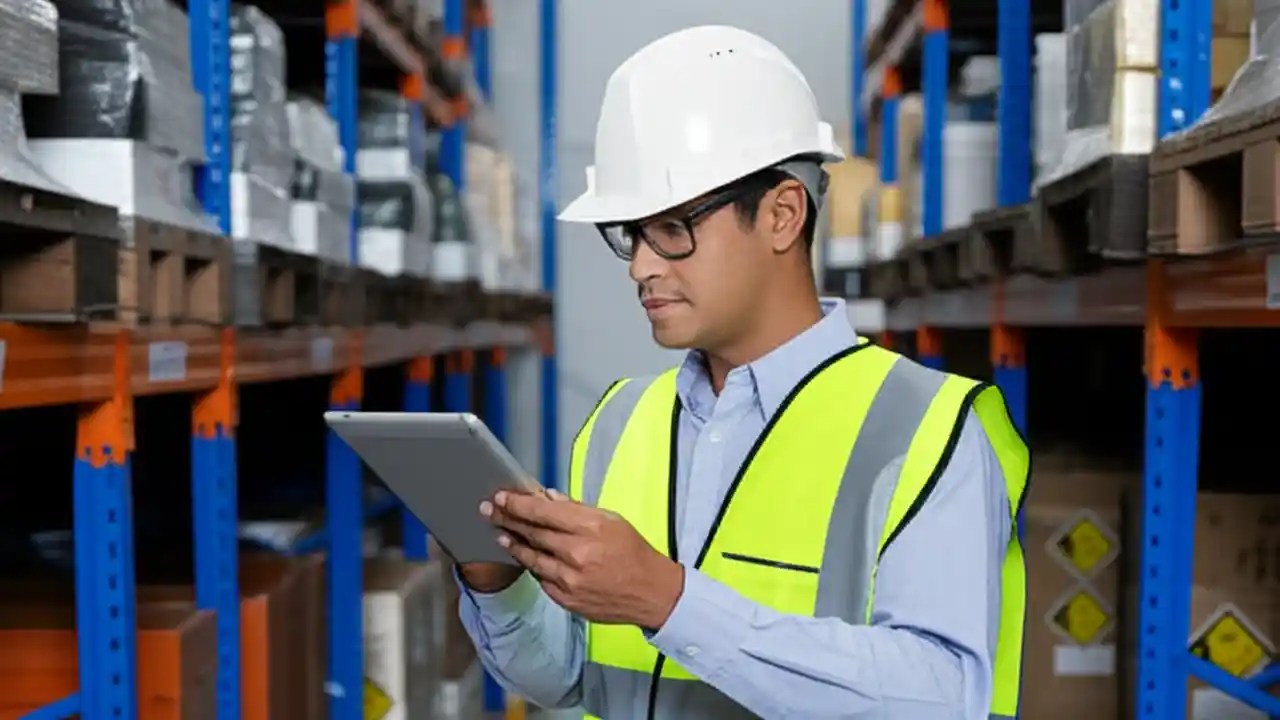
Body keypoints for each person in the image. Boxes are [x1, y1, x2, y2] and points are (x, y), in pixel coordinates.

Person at [452, 25, 1029, 720]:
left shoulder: (927, 430)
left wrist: (668, 600)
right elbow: (573, 677)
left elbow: (940, 697)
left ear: (783, 214)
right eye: (630, 234)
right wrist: (493, 579)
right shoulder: (618, 423)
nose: (641, 265)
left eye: (671, 228)